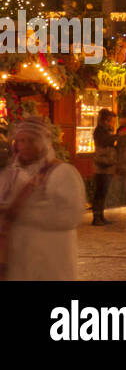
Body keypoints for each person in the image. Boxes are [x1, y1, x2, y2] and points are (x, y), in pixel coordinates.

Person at [0, 119, 86, 280]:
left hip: (50, 261)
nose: (24, 145)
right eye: (20, 141)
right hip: (18, 263)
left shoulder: (63, 172)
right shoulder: (10, 174)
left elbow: (69, 216)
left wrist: (20, 211)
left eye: (31, 140)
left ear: (44, 142)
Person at [90, 109, 117, 225]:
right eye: (112, 121)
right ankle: (96, 218)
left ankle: (101, 216)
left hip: (108, 164)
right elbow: (105, 141)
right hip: (102, 165)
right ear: (106, 121)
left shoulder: (107, 131)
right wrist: (117, 136)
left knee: (103, 193)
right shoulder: (100, 131)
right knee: (100, 192)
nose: (113, 124)